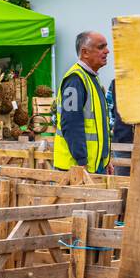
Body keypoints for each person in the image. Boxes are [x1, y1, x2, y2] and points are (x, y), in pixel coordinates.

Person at [55, 31, 112, 177]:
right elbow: (71, 124)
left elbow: (99, 125)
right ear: (85, 53)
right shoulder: (75, 80)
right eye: (101, 47)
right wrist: (81, 162)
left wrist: (105, 158)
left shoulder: (92, 78)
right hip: (76, 168)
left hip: (94, 165)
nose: (107, 51)